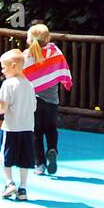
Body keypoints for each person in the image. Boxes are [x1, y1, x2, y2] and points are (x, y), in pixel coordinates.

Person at [24, 23, 72, 176]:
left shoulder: (27, 55)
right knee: (51, 128)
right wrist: (67, 82)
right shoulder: (55, 52)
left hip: (34, 101)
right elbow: (63, 70)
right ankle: (52, 149)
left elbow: (22, 75)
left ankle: (40, 164)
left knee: (36, 132)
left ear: (29, 39)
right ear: (48, 38)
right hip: (52, 101)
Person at [0, 48, 37, 201]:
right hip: (27, 128)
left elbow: (3, 107)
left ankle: (9, 183)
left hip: (11, 127)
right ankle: (23, 188)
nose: (2, 70)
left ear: (13, 66)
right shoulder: (30, 85)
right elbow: (33, 107)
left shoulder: (8, 84)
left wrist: (0, 109)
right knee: (25, 159)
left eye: (4, 67)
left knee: (6, 158)